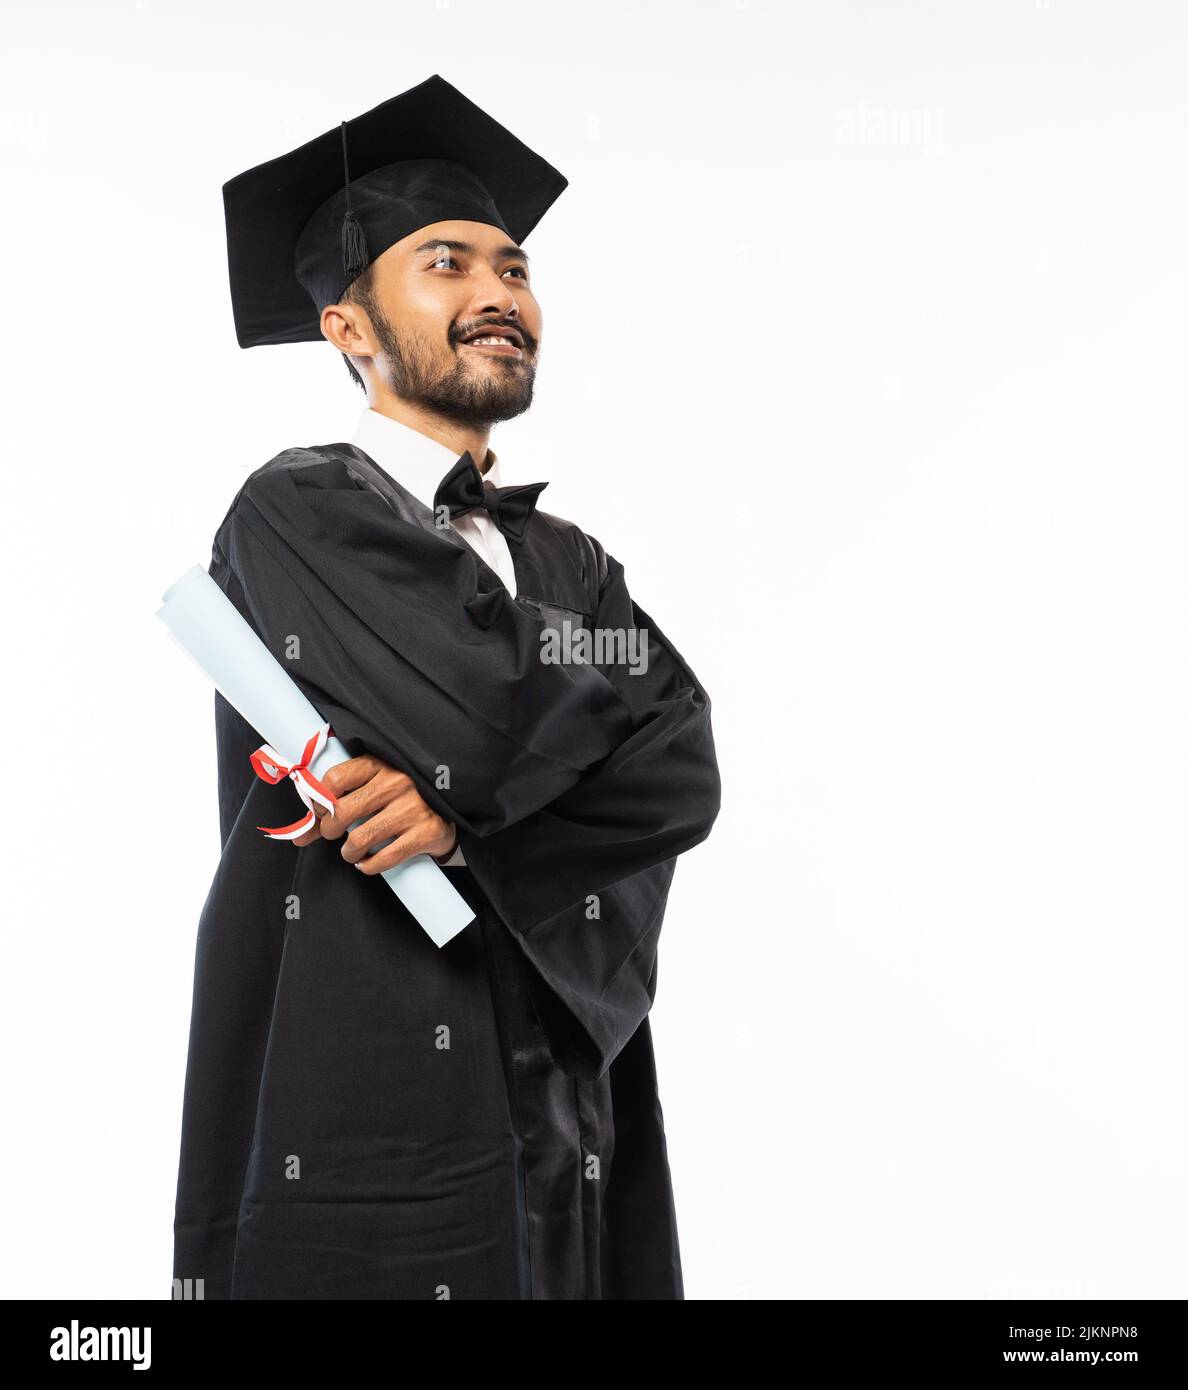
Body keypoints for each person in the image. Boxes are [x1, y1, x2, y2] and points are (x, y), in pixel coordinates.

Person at [172, 73, 720, 1301]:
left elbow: (683, 760)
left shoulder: (571, 559)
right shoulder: (297, 508)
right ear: (350, 329)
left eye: (514, 270)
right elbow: (489, 705)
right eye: (446, 263)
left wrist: (470, 820)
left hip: (566, 1090)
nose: (497, 295)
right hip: (367, 1071)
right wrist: (569, 724)